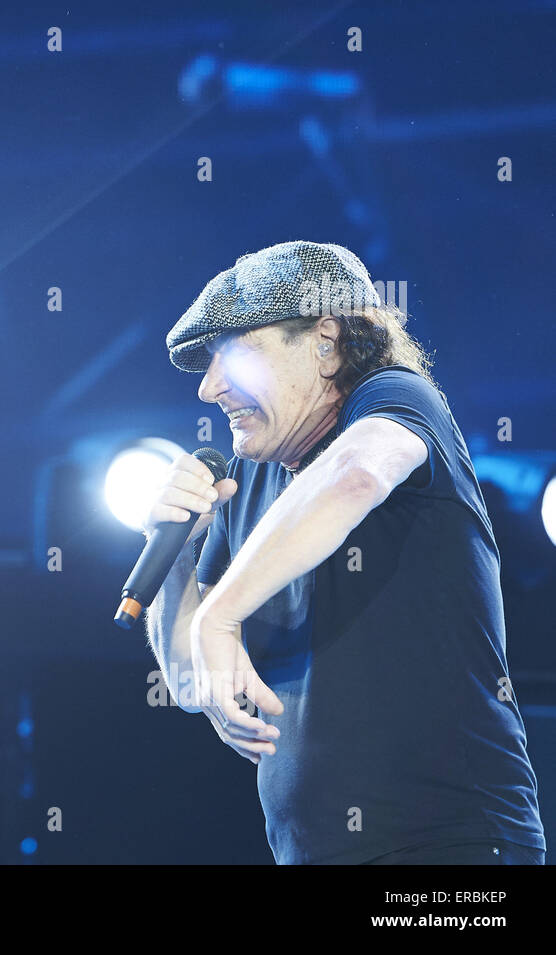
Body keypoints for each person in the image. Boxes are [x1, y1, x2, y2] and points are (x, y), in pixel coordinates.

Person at [146, 240, 545, 865]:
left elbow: (357, 473)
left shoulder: (395, 399)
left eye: (232, 353)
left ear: (325, 342)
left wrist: (220, 615)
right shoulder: (250, 477)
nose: (209, 388)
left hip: (448, 847)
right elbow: (195, 680)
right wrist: (170, 551)